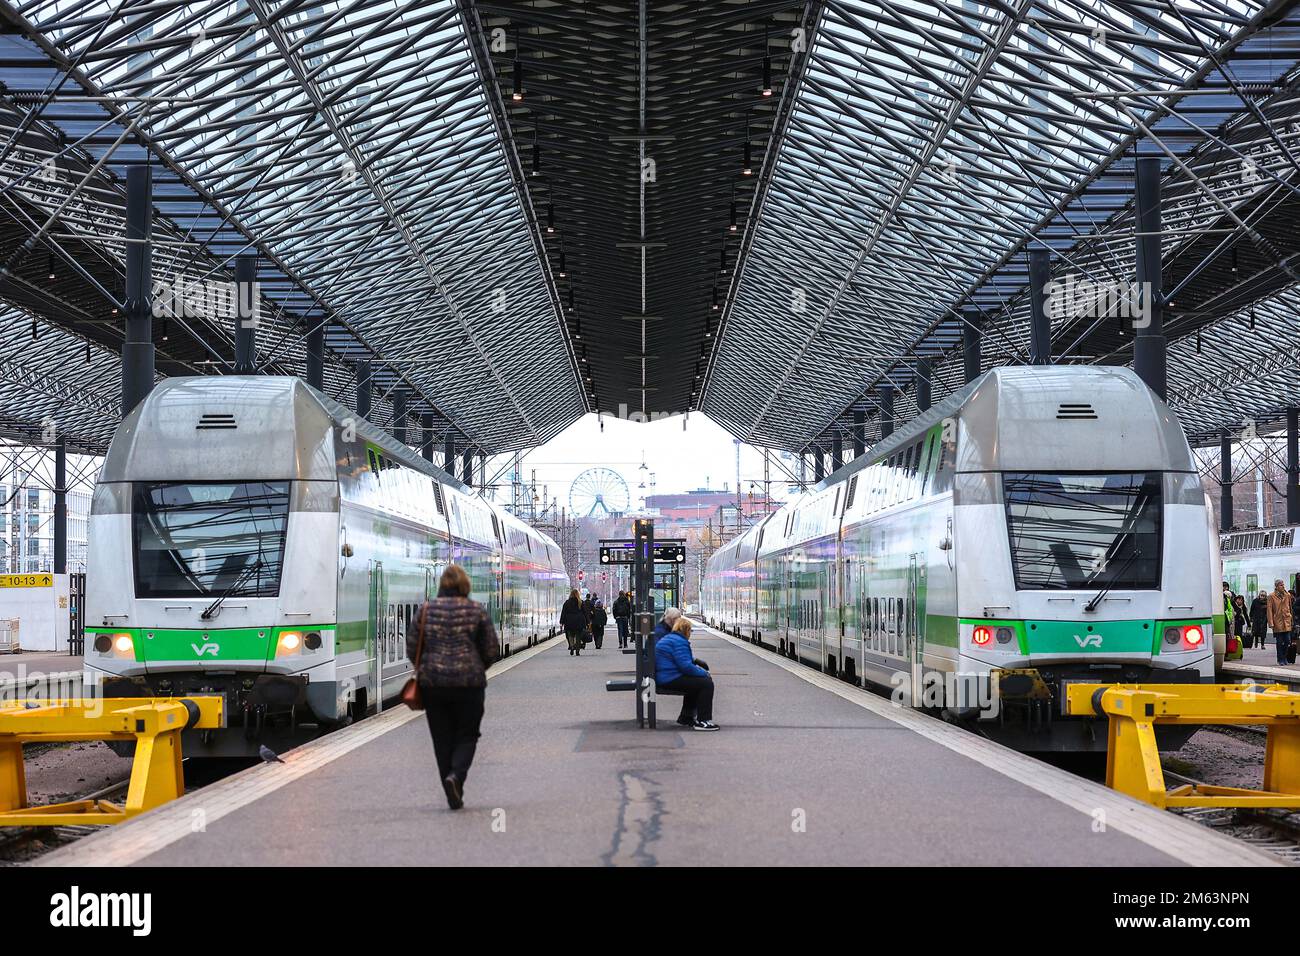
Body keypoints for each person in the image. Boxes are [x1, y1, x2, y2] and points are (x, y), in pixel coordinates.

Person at [405, 564, 500, 811]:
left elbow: (412, 646)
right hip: (469, 683)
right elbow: (491, 648)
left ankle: (450, 787)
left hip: (433, 684)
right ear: (465, 585)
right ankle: (456, 777)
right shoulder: (476, 610)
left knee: (442, 738)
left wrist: (427, 666)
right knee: (468, 734)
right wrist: (477, 666)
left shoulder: (426, 610)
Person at [655, 617, 718, 731]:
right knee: (706, 684)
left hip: (664, 676)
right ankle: (703, 721)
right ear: (686, 630)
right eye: (690, 631)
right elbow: (686, 666)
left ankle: (686, 717)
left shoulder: (671, 638)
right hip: (668, 678)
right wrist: (704, 673)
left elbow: (683, 662)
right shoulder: (679, 641)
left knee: (695, 683)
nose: (690, 633)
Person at [1267, 579, 1293, 667]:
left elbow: (1290, 607)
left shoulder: (1287, 595)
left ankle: (1285, 657)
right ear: (1277, 587)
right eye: (1281, 585)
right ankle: (1280, 659)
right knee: (1279, 642)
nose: (1283, 586)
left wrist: (1291, 618)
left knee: (1287, 641)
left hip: (1287, 620)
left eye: (1283, 584)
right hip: (1277, 621)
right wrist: (1271, 622)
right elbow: (1269, 610)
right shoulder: (1271, 596)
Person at [560, 589, 585, 656]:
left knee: (570, 635)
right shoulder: (580, 602)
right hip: (579, 621)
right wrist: (587, 622)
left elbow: (563, 613)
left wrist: (561, 622)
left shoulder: (567, 602)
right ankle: (577, 650)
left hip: (569, 621)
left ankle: (571, 646)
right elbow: (584, 612)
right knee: (578, 636)